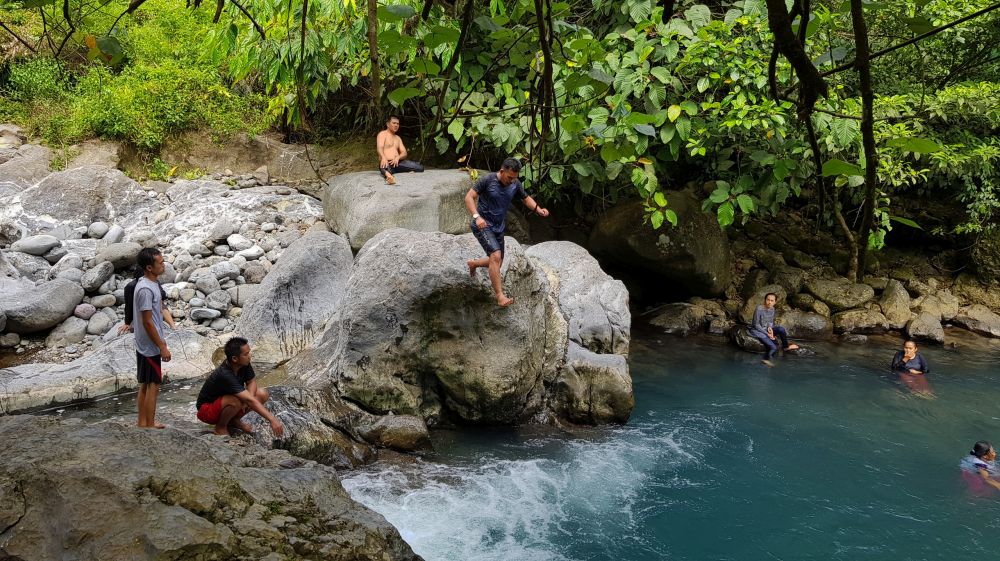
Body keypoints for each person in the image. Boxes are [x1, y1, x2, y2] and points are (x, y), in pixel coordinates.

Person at [465, 158, 550, 307]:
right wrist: (476, 217)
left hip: (498, 227)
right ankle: (500, 296)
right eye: (509, 177)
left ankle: (474, 263)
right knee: (496, 256)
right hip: (482, 224)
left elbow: (525, 198)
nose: (511, 181)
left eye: (515, 178)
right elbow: (469, 197)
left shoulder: (515, 184)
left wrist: (538, 209)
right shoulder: (487, 180)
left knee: (498, 261)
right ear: (502, 171)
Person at [196, 337, 284, 438]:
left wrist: (248, 398)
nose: (250, 356)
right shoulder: (224, 374)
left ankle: (233, 421)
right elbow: (249, 400)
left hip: (224, 404)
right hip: (206, 410)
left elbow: (251, 382)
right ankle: (220, 427)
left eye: (249, 352)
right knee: (236, 400)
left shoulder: (243, 363)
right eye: (246, 354)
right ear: (234, 358)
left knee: (262, 394)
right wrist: (272, 420)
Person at [133, 247, 171, 429]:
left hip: (145, 343)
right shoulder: (145, 289)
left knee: (145, 383)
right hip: (149, 345)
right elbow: (148, 322)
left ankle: (142, 422)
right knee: (153, 384)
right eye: (160, 263)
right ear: (149, 267)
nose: (164, 265)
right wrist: (161, 345)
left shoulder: (150, 283)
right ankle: (148, 425)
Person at [118, 266, 175, 335]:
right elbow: (129, 306)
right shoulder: (131, 287)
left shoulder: (153, 281)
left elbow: (163, 295)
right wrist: (127, 323)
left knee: (160, 302)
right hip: (140, 310)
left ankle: (173, 326)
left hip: (154, 309)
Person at [749, 292, 799, 366]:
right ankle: (766, 360)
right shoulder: (759, 309)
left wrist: (770, 330)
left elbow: (770, 321)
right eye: (768, 300)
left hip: (766, 330)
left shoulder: (772, 309)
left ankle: (786, 347)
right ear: (765, 300)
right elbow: (756, 325)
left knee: (781, 329)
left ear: (775, 302)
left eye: (772, 301)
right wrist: (768, 334)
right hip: (757, 331)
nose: (769, 302)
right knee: (773, 347)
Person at [377, 115, 424, 185]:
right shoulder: (382, 134)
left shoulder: (398, 138)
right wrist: (383, 157)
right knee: (383, 166)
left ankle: (393, 171)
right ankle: (389, 177)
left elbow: (404, 153)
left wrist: (398, 157)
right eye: (394, 123)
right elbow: (379, 147)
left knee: (420, 168)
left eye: (397, 124)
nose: (396, 125)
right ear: (387, 124)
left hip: (398, 162)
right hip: (387, 162)